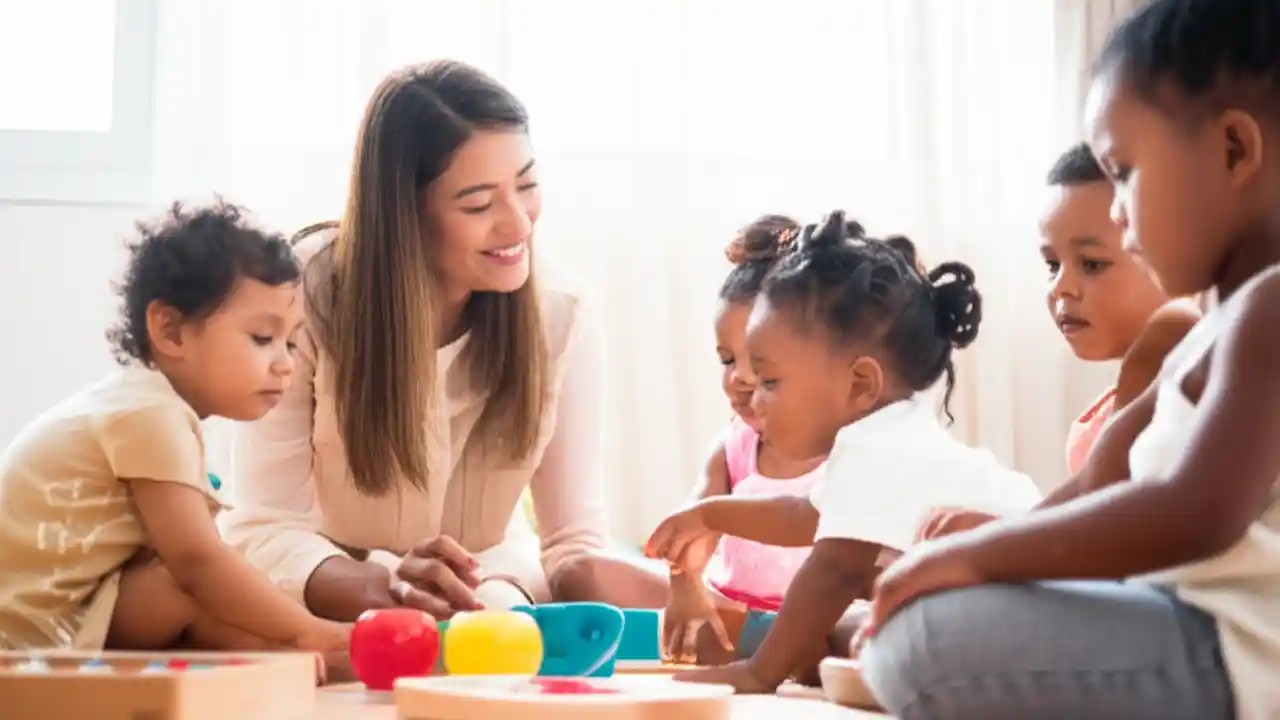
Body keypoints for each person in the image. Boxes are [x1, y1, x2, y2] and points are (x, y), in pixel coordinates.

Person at [859, 2, 1280, 717]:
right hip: (1184, 620)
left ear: (1233, 151)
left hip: (1240, 654)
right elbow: (1101, 477)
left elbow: (1196, 510)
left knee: (923, 644)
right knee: (912, 621)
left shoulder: (1271, 308)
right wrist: (990, 546)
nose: (1117, 213)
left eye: (1125, 174)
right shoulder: (1215, 324)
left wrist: (972, 559)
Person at [219, 60, 666, 624]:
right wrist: (381, 585)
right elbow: (265, 523)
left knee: (495, 619)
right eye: (479, 204)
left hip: (492, 583)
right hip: (341, 583)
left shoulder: (561, 310)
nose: (519, 224)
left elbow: (572, 543)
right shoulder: (303, 298)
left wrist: (708, 604)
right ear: (403, 216)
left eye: (526, 185)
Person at [646, 211, 1040, 691]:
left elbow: (833, 567)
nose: (755, 395)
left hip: (1025, 607)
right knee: (851, 630)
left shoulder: (879, 448)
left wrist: (759, 673)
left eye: (771, 380)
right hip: (1008, 600)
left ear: (861, 384)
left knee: (852, 617)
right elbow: (803, 517)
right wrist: (710, 515)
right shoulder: (884, 434)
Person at [0, 201, 349, 656]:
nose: (286, 364)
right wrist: (306, 627)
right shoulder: (148, 412)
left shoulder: (151, 407)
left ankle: (303, 658)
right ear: (171, 331)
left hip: (66, 617)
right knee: (189, 583)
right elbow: (196, 563)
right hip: (32, 638)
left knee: (217, 592)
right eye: (263, 339)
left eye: (291, 341)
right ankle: (311, 654)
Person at [916, 142, 1201, 541]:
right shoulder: (1136, 370)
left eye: (1092, 264)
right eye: (1052, 265)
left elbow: (1103, 503)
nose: (1061, 288)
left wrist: (998, 538)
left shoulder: (1175, 331)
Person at [661, 214, 828, 666]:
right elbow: (689, 526)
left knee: (845, 634)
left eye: (758, 360)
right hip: (743, 617)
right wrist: (686, 590)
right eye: (726, 358)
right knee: (703, 635)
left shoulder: (848, 448)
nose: (738, 377)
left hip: (824, 620)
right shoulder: (733, 449)